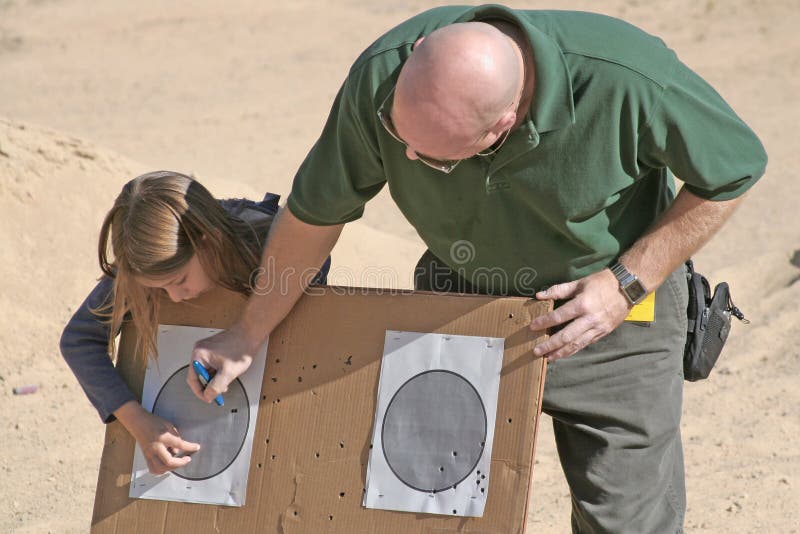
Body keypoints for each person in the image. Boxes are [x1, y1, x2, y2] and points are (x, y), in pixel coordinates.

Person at [188, 6, 767, 532]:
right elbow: (312, 219)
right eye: (400, 136)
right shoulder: (382, 77)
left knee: (627, 521)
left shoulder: (627, 75)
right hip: (459, 305)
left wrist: (626, 281)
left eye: (436, 157)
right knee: (428, 506)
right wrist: (248, 331)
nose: (409, 157)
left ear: (504, 125)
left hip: (613, 314)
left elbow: (734, 168)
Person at [59, 170, 330, 475]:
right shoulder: (147, 260)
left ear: (208, 241)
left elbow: (317, 261)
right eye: (159, 289)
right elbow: (79, 340)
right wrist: (138, 422)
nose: (174, 297)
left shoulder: (265, 243)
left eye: (180, 280)